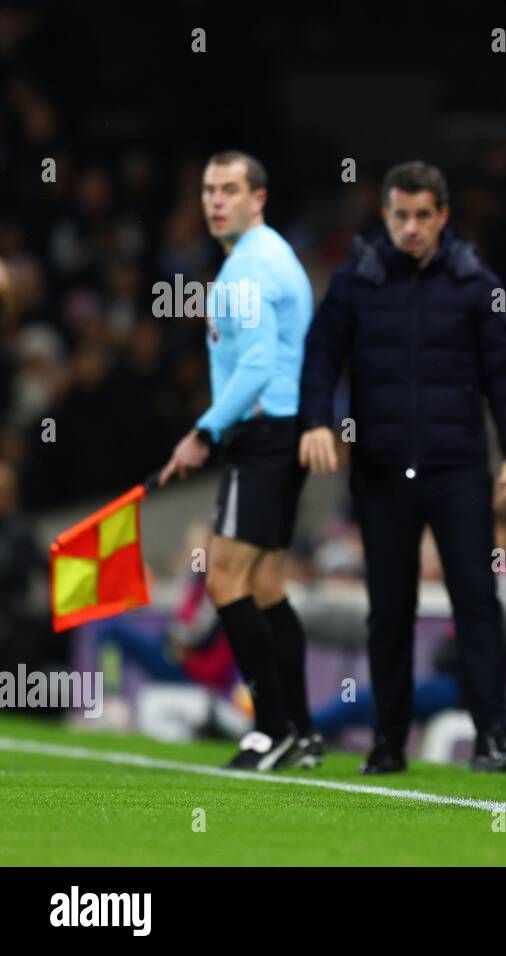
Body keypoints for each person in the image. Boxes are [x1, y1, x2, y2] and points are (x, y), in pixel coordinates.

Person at [299, 161, 506, 774]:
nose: (411, 227)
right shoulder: (355, 283)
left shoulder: (476, 284)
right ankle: (386, 741)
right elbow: (321, 358)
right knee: (389, 609)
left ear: (442, 217)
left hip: (458, 469)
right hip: (380, 471)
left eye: (422, 216)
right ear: (385, 216)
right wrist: (317, 422)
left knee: (476, 601)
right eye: (400, 215)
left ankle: (494, 738)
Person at [159, 151, 318, 772]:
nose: (215, 200)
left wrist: (203, 431)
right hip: (278, 434)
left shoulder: (250, 267)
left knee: (224, 579)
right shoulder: (268, 255)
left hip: (261, 437)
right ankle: (300, 733)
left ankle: (272, 728)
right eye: (208, 189)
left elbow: (253, 366)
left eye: (230, 189)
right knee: (266, 584)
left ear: (259, 197)